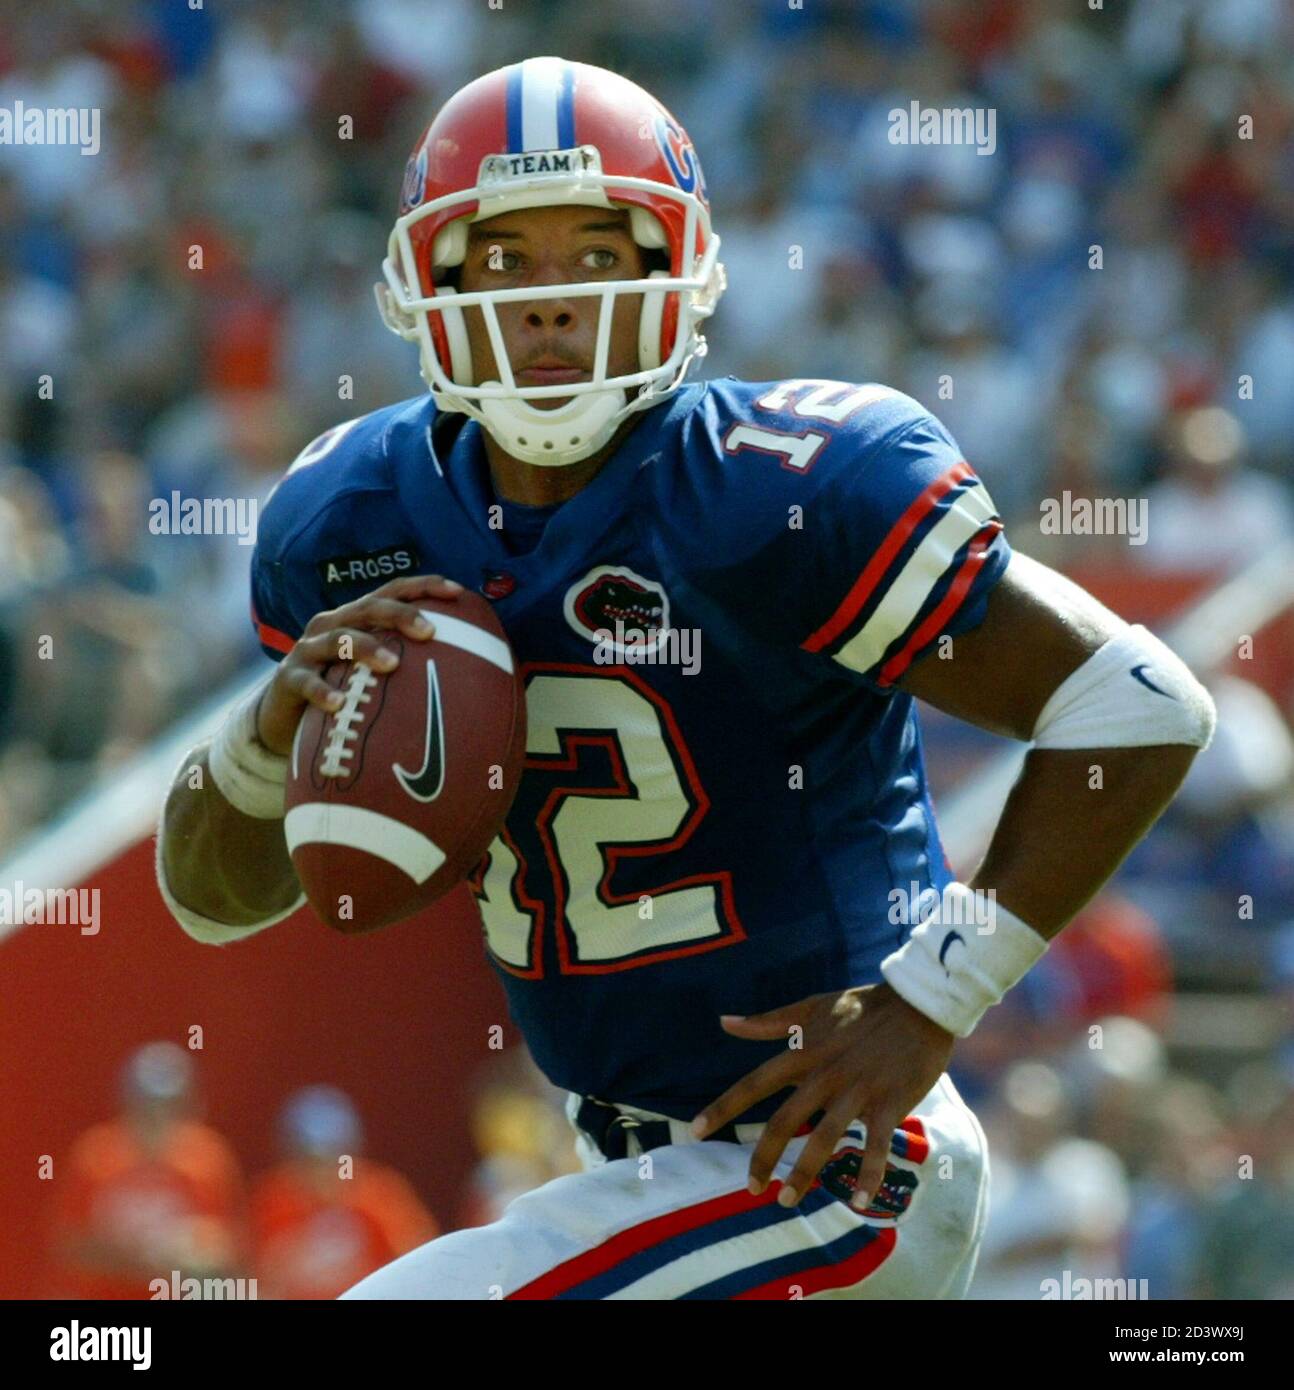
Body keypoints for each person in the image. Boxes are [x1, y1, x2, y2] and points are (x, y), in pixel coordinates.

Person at [156, 58, 1216, 1300]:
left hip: (831, 1168)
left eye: (596, 253)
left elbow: (1135, 703)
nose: (550, 301)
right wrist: (258, 741)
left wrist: (928, 1003)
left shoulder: (781, 487)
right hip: (638, 1177)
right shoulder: (350, 519)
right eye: (503, 259)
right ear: (426, 281)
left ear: (676, 267)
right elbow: (213, 902)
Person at [49, 1042, 245, 1299]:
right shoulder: (97, 1157)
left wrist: (197, 1247)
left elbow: (232, 1246)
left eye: (170, 1107)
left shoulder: (208, 1160)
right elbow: (69, 1242)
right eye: (147, 1108)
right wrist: (140, 1256)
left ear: (192, 1107)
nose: (158, 1118)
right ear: (125, 1104)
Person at [249, 1085, 438, 1300]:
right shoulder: (273, 1201)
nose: (322, 1170)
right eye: (308, 1159)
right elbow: (257, 1278)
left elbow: (421, 1265)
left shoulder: (378, 1196)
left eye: (333, 1157)